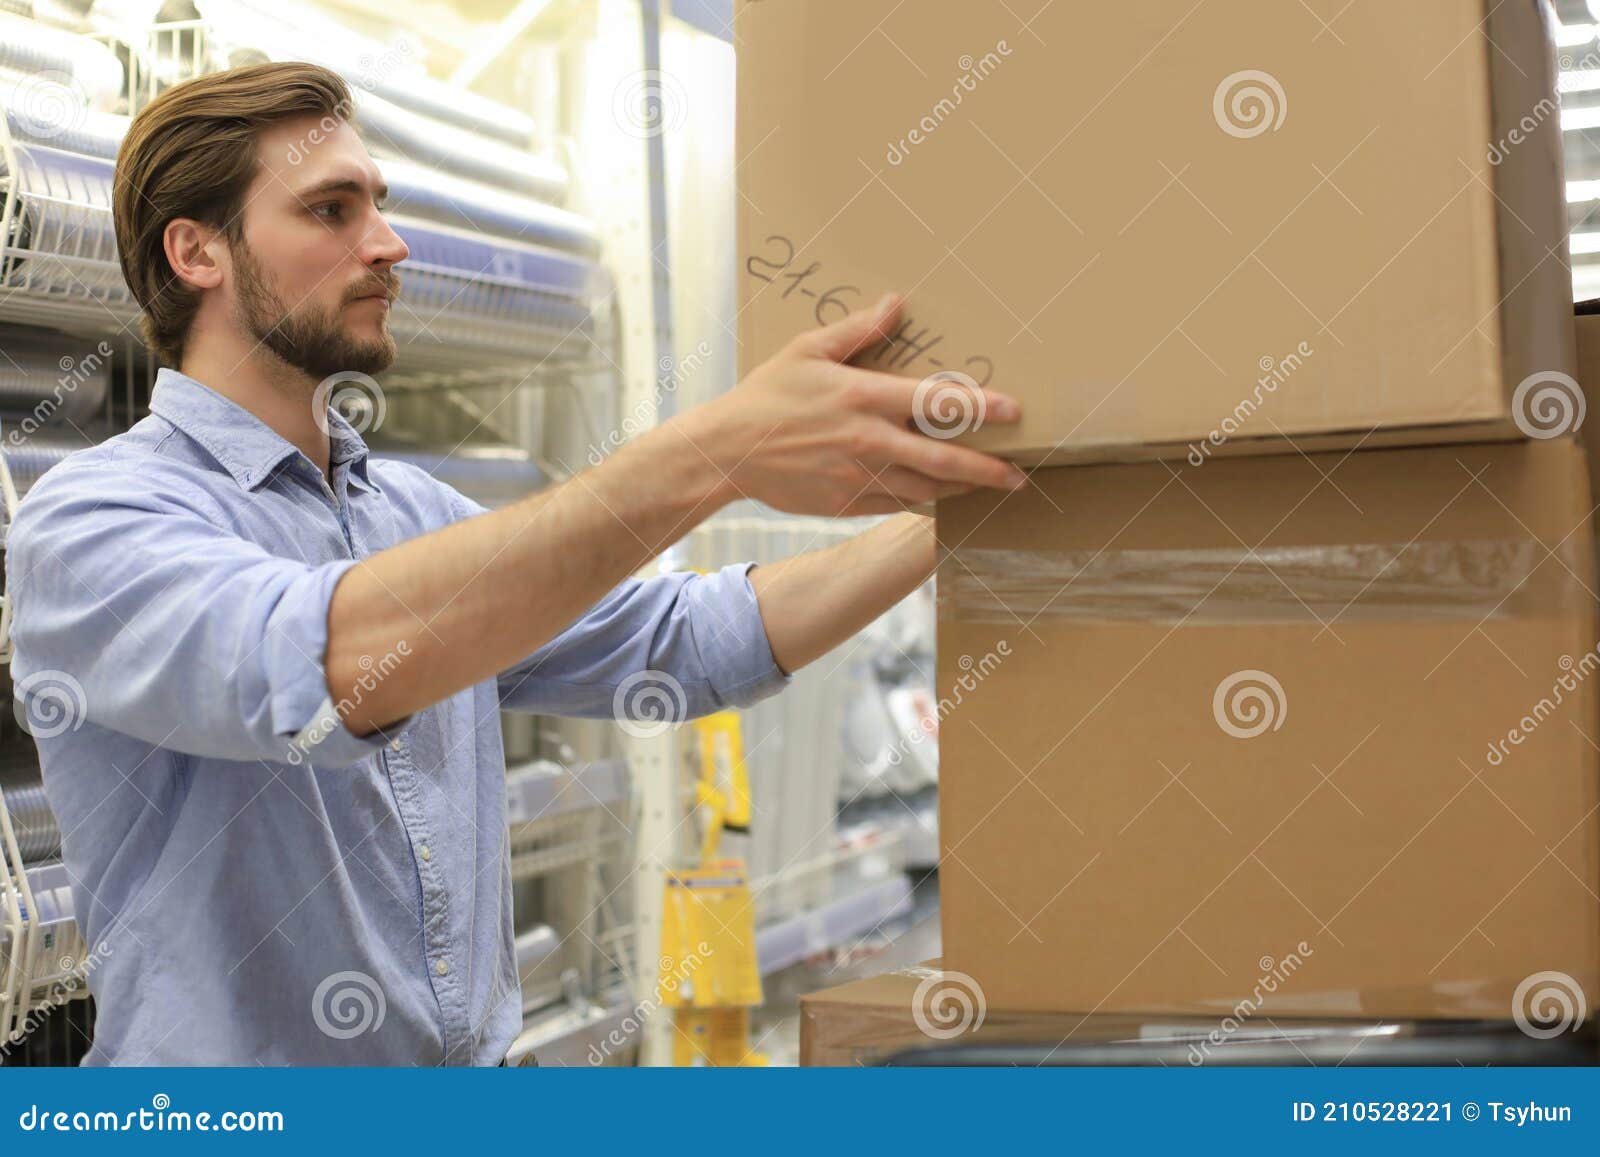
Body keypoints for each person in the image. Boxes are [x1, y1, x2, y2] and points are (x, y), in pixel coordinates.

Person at [3, 61, 1025, 1065]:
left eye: (382, 206)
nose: (389, 244)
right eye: (331, 210)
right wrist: (715, 451)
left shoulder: (408, 510)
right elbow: (325, 665)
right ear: (197, 252)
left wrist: (965, 517)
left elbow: (685, 640)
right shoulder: (92, 521)